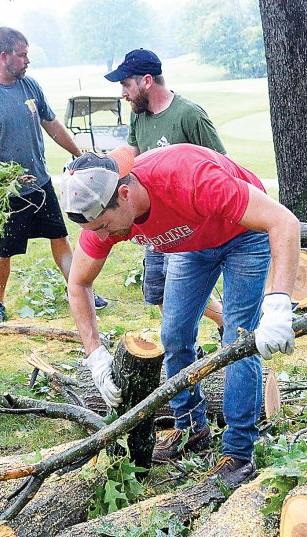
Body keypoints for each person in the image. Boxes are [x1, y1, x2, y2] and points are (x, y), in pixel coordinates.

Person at [60, 145, 300, 486]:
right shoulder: (103, 210)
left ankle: (238, 453)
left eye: (104, 225)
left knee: (240, 340)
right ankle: (191, 428)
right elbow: (79, 282)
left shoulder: (188, 176)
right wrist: (95, 355)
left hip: (244, 235)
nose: (101, 236)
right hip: (191, 244)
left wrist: (278, 305)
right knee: (174, 335)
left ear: (124, 194)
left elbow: (283, 221)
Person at [0, 27, 106, 324]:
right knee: (2, 250)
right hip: (3, 190)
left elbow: (52, 124)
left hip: (38, 183)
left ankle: (78, 289)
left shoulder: (30, 87)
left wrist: (79, 154)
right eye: (23, 54)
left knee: (60, 237)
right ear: (4, 56)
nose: (27, 60)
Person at [105, 48, 226, 334]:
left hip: (187, 226)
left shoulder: (190, 115)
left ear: (146, 81)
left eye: (126, 85)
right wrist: (106, 169)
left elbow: (222, 166)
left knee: (180, 294)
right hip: (153, 223)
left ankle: (222, 325)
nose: (123, 93)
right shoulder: (139, 116)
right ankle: (193, 342)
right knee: (159, 292)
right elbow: (133, 156)